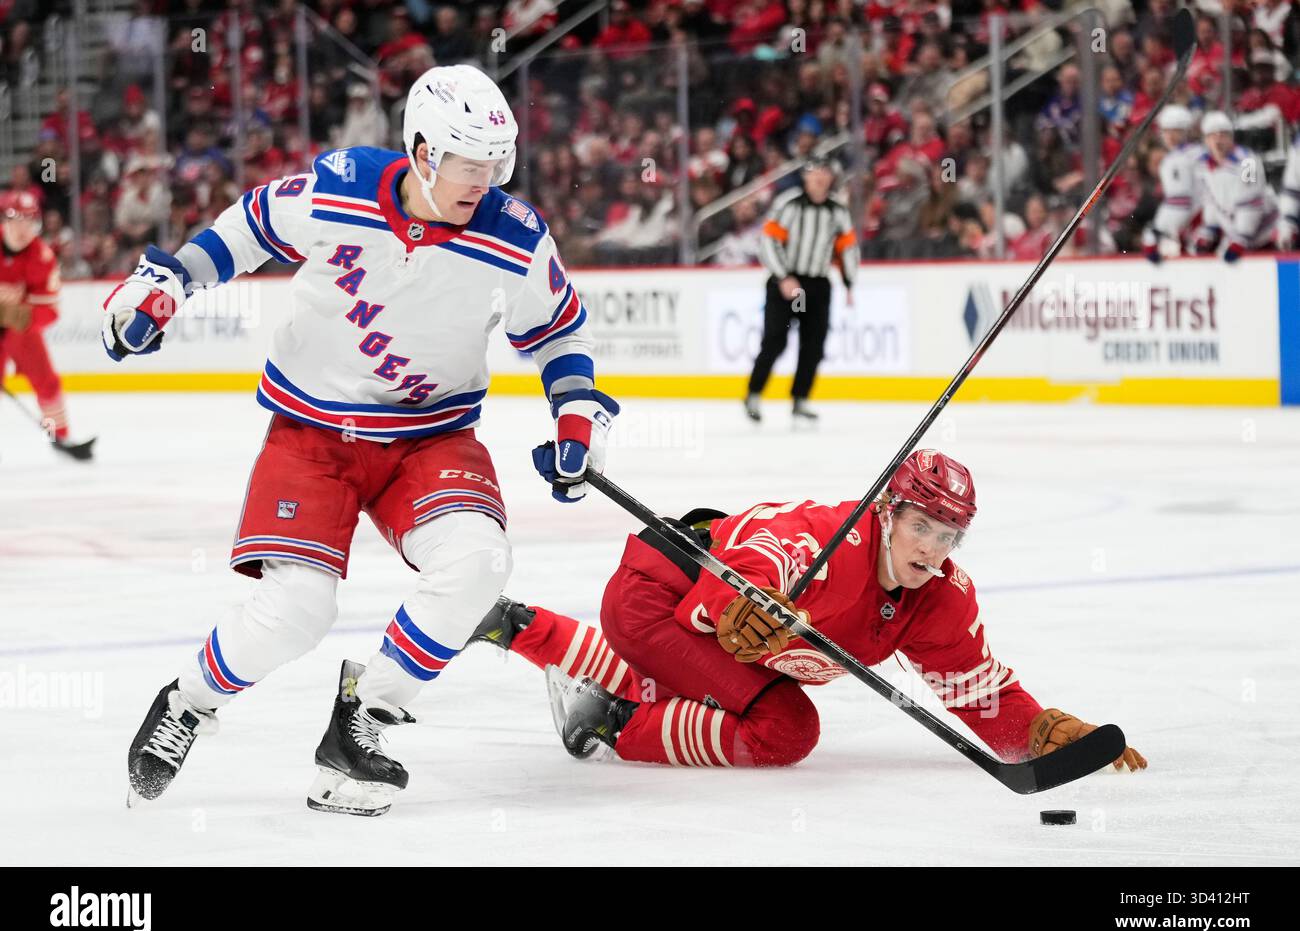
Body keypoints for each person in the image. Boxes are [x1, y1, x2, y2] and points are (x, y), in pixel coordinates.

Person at [107, 65, 617, 816]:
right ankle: (187, 702)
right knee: (296, 613)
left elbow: (558, 333)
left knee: (478, 561)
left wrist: (578, 417)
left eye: (496, 165)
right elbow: (245, 228)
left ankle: (364, 721)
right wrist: (167, 283)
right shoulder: (337, 191)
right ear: (421, 151)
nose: (486, 182)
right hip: (313, 435)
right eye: (470, 164)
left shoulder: (515, 236)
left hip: (431, 440)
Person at [468, 449, 1148, 773]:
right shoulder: (823, 541)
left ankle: (521, 626)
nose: (933, 550)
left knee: (710, 687)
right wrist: (741, 603)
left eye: (948, 537)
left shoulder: (939, 597)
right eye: (921, 528)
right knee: (783, 727)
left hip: (684, 623)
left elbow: (975, 688)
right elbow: (756, 563)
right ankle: (611, 718)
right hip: (658, 597)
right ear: (887, 512)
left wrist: (1040, 733)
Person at [747, 157, 857, 425]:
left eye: (825, 173)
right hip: (785, 283)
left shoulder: (837, 210)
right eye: (814, 173)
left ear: (830, 178)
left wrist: (849, 282)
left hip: (817, 285)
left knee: (814, 345)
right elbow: (769, 241)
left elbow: (847, 248)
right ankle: (754, 393)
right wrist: (783, 277)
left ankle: (800, 399)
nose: (820, 177)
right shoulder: (789, 203)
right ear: (806, 178)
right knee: (775, 340)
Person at [0, 191, 93, 460]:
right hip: (15, 319)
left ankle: (60, 436)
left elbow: (49, 311)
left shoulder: (42, 257)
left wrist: (17, 316)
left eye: (29, 221)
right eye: (16, 219)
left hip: (20, 328)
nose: (23, 228)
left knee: (48, 384)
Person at [1193, 111, 1279, 262]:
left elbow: (1252, 201)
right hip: (1235, 234)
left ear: (1231, 138)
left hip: (1266, 234)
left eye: (1223, 135)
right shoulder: (1201, 165)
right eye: (1213, 135)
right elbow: (1210, 201)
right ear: (1206, 139)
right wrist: (1210, 230)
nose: (1218, 140)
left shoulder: (1248, 161)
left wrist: (1241, 238)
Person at [1142, 104, 1205, 264]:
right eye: (1166, 131)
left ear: (1185, 131)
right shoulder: (1201, 152)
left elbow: (1180, 203)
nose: (1170, 136)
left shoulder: (1176, 160)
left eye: (1175, 130)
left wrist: (1155, 233)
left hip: (1199, 226)